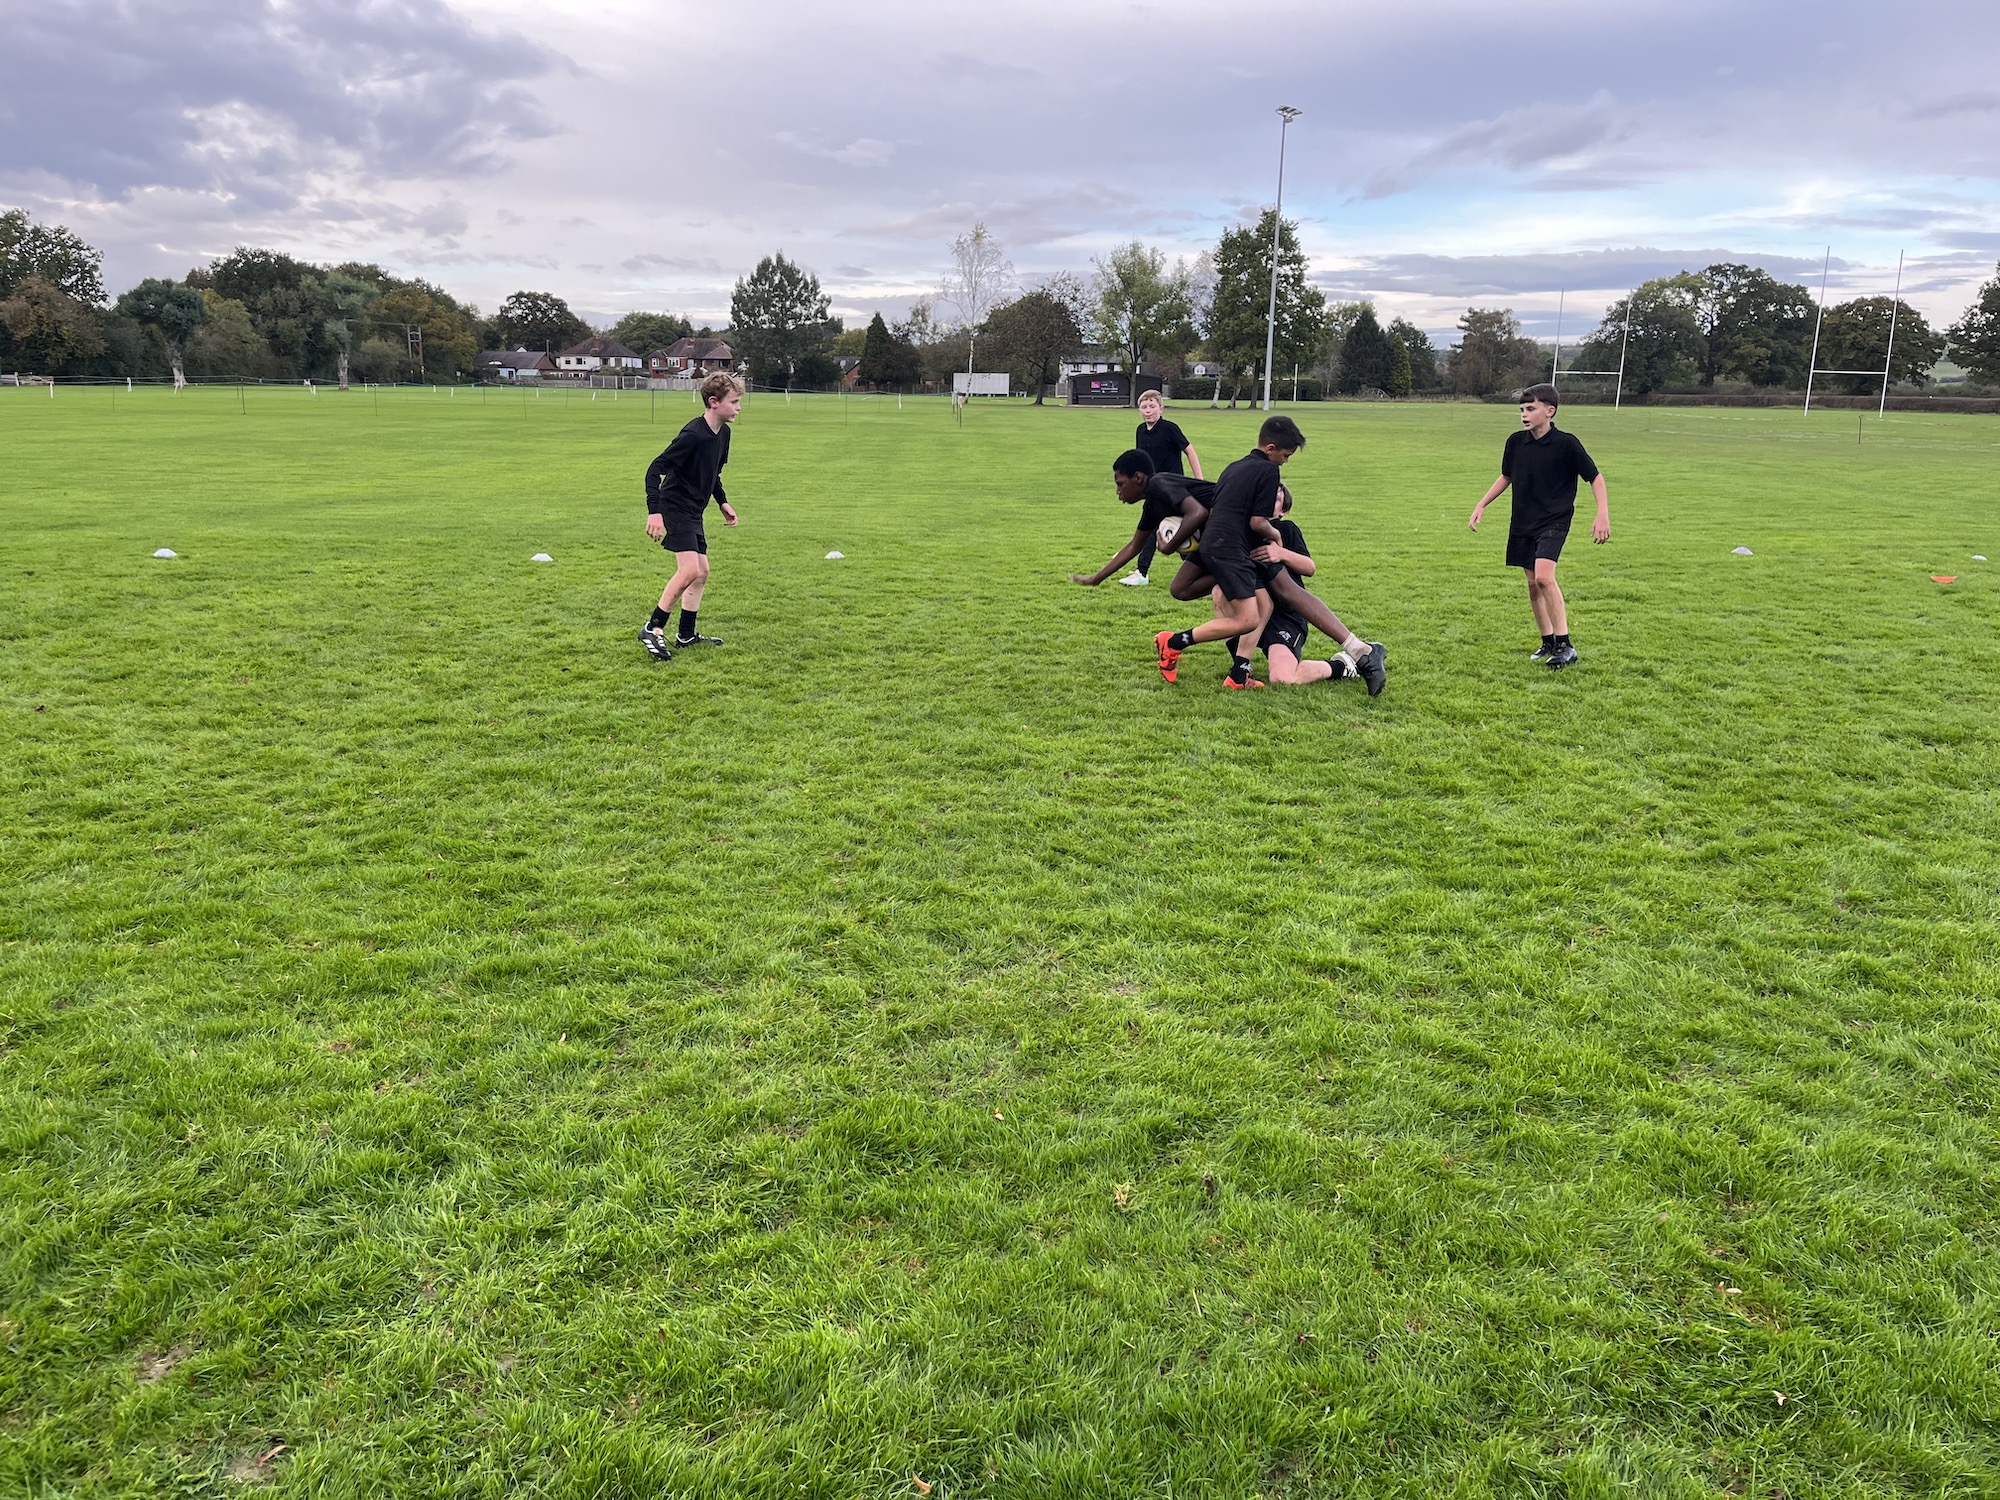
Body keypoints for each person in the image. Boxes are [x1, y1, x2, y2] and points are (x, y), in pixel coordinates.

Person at [1153, 414, 1302, 690]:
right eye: (1285, 455)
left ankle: (1238, 675)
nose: (1285, 461)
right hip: (1231, 548)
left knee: (1263, 603)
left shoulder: (1234, 466)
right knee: (1248, 618)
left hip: (1213, 541)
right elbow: (1257, 522)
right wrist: (1275, 535)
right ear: (1270, 449)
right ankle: (1173, 642)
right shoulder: (1269, 471)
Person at [1468, 383, 1609, 670]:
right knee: (1533, 584)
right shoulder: (1515, 443)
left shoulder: (1567, 444)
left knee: (1544, 578)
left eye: (1530, 408)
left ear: (1550, 411)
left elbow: (1595, 477)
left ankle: (1565, 645)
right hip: (1523, 521)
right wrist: (1481, 504)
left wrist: (1602, 514)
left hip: (1554, 520)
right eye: (1522, 409)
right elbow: (1506, 476)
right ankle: (1548, 642)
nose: (1524, 414)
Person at [639, 371, 741, 661]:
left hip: (694, 510)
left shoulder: (724, 434)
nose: (738, 408)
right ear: (714, 402)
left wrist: (722, 502)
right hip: (674, 506)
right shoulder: (694, 434)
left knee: (702, 572)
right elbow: (654, 469)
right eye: (734, 402)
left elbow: (712, 473)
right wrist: (654, 511)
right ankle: (652, 628)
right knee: (689, 571)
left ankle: (685, 634)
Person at [1250, 487, 1384, 690]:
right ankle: (1241, 664)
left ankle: (1342, 665)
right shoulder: (1246, 529)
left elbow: (1309, 568)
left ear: (1283, 510)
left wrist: (1281, 553)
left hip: (1284, 616)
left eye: (1276, 499)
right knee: (1221, 594)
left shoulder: (1286, 529)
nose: (1269, 502)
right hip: (1254, 610)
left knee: (1283, 679)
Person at [1070, 450, 1214, 587]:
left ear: (1138, 478)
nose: (1118, 491)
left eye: (1120, 484)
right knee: (1180, 588)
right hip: (1215, 532)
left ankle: (1226, 575)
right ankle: (1224, 576)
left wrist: (1169, 546)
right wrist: (1095, 579)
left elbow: (1198, 513)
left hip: (1224, 516)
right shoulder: (1152, 506)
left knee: (1193, 584)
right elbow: (1134, 546)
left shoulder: (1159, 483)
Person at [1117, 390, 1203, 587]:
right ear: (1139, 410)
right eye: (1144, 407)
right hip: (1153, 488)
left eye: (1152, 406)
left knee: (1163, 528)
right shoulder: (1140, 430)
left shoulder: (1170, 429)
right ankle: (1197, 568)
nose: (1148, 410)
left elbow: (1190, 451)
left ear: (1161, 409)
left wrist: (1199, 479)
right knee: (1169, 529)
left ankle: (1142, 572)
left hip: (1173, 488)